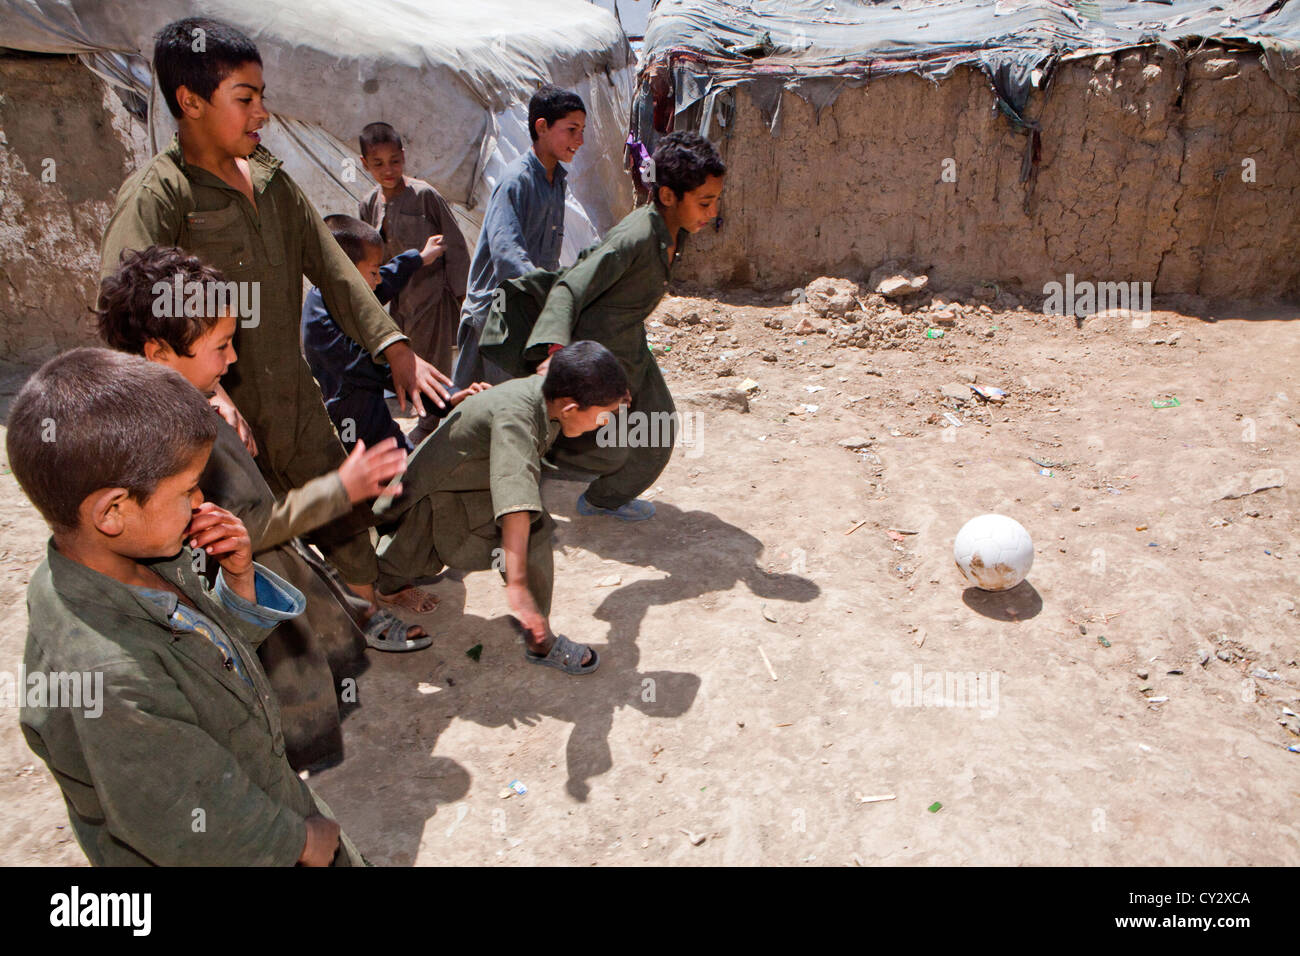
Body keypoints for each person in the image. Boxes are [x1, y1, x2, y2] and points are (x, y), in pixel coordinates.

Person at [99, 16, 449, 639]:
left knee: (337, 498)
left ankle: (365, 609)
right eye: (246, 98)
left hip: (292, 389)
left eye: (262, 96)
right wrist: (206, 395)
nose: (262, 112)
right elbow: (124, 318)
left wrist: (393, 346)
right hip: (211, 411)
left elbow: (335, 269)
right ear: (191, 102)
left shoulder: (271, 179)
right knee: (244, 531)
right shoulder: (159, 196)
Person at [9, 348, 363, 865]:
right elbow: (190, 820)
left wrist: (238, 576)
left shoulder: (130, 556)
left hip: (258, 789)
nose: (201, 503)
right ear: (112, 511)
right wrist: (301, 842)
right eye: (188, 489)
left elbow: (211, 653)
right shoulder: (110, 679)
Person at [480, 131, 726, 522]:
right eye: (704, 202)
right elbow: (568, 287)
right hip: (594, 356)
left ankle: (602, 499)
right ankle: (507, 473)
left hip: (630, 349)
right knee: (582, 431)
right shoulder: (635, 236)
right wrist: (556, 356)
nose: (712, 213)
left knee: (658, 429)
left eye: (715, 201)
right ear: (667, 196)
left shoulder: (672, 232)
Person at [375, 342, 630, 675]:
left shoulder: (551, 387)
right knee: (393, 564)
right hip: (425, 497)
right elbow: (515, 505)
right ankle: (381, 585)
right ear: (569, 407)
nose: (605, 423)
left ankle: (541, 641)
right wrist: (518, 585)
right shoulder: (518, 420)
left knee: (534, 534)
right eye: (603, 415)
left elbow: (560, 362)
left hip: (471, 486)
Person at [303, 215, 486, 456]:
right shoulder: (322, 321)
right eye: (373, 272)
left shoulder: (348, 292)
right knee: (391, 481)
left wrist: (419, 258)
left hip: (375, 416)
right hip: (351, 428)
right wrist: (446, 398)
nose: (378, 280)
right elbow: (378, 365)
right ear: (344, 272)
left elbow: (388, 276)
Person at [451, 85, 586, 391]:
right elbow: (508, 256)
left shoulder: (556, 182)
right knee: (484, 409)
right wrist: (553, 295)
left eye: (583, 130)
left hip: (526, 311)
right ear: (542, 127)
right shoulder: (515, 181)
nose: (581, 140)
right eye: (572, 129)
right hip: (496, 317)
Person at [358, 122, 471, 444]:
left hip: (433, 296)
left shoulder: (424, 196)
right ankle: (428, 416)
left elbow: (456, 244)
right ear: (364, 164)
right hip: (398, 300)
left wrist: (462, 295)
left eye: (394, 160)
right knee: (407, 360)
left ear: (404, 157)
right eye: (378, 163)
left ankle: (431, 424)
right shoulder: (369, 204)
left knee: (433, 363)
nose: (388, 170)